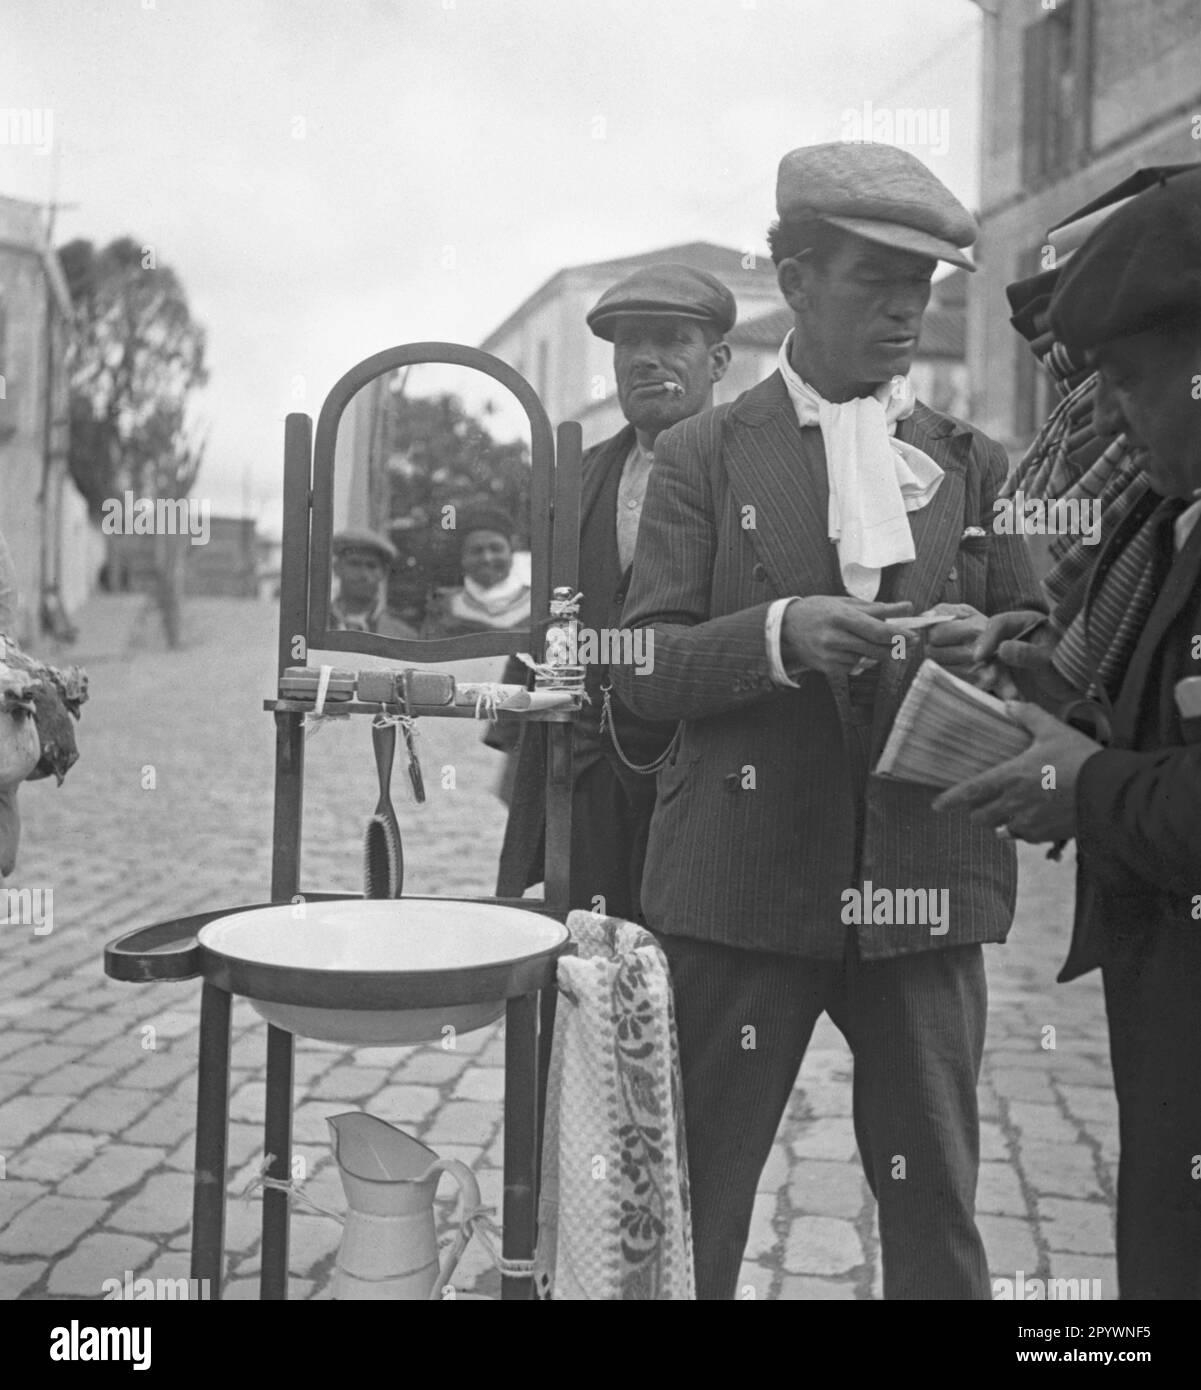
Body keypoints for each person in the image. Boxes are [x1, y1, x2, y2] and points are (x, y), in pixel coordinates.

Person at [612, 141, 1046, 1299]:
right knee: (699, 1197)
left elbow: (1053, 664)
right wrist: (773, 636)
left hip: (925, 888)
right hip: (742, 889)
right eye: (874, 284)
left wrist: (989, 641)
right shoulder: (703, 455)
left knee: (937, 1210)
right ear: (794, 282)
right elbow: (638, 668)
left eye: (923, 291)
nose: (906, 313)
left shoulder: (976, 465)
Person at [934, 167, 1201, 1300]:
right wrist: (1049, 704)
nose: (1109, 421)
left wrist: (1081, 782)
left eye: (1129, 384)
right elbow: (1139, 701)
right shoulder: (1175, 517)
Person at [494, 263, 734, 921]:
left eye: (670, 339)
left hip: (699, 766)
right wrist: (518, 744)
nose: (645, 358)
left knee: (689, 957)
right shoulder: (579, 475)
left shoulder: (751, 473)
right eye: (628, 342)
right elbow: (547, 608)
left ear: (716, 360)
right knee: (582, 955)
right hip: (586, 766)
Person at [421, 505, 531, 638]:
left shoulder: (536, 606)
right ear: (462, 557)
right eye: (476, 551)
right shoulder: (443, 610)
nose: (487, 558)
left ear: (511, 551)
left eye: (496, 549)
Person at [330, 528, 417, 638]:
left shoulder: (404, 636)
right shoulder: (311, 626)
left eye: (371, 566)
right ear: (337, 568)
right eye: (354, 564)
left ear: (384, 573)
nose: (363, 574)